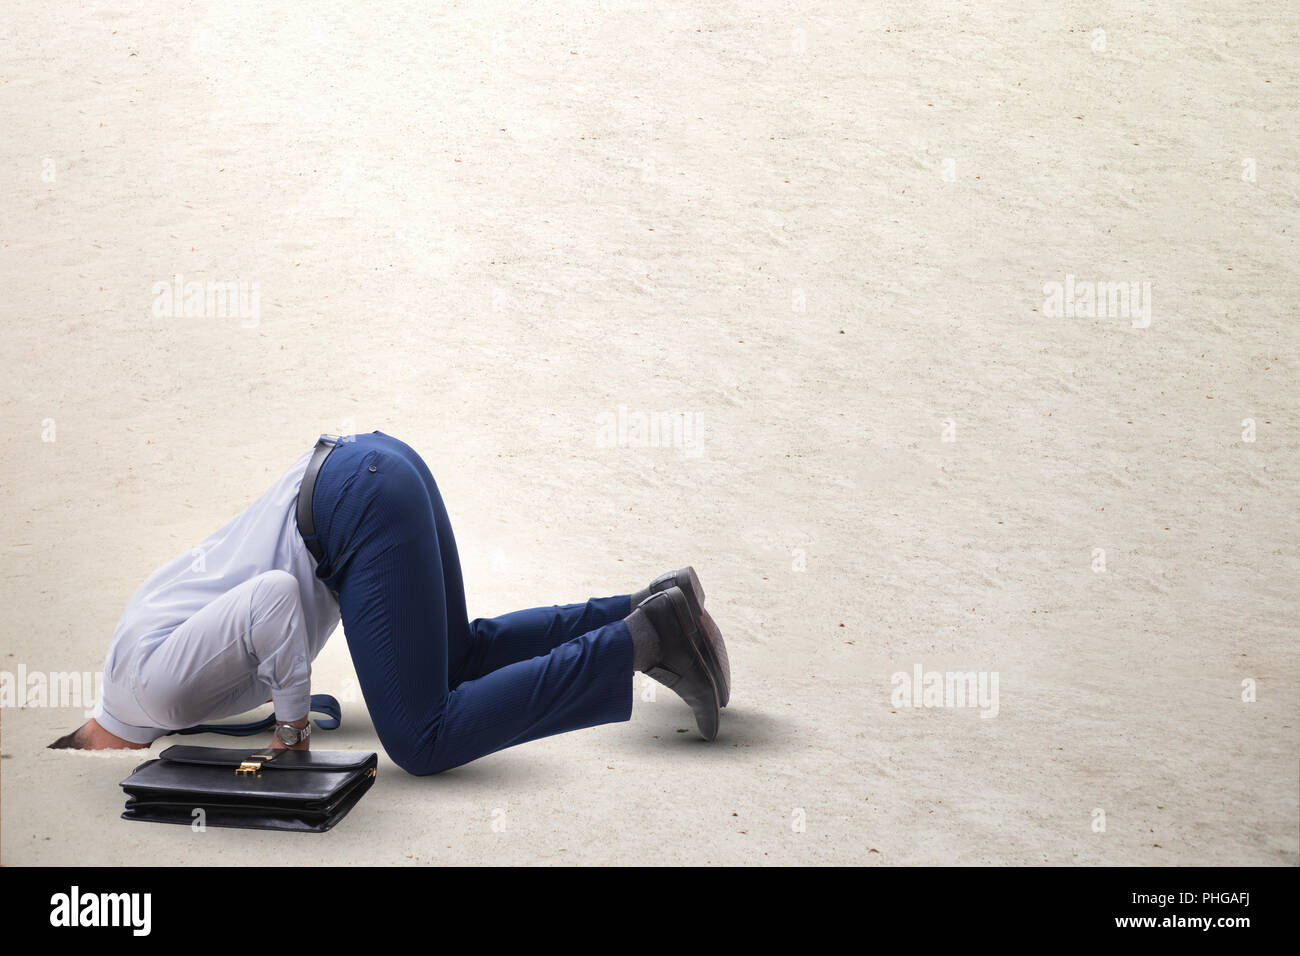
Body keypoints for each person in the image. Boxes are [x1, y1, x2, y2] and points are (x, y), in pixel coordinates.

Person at [49, 431, 731, 775]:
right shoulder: (133, 670)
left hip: (355, 508)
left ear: (93, 749)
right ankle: (650, 606)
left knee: (419, 738)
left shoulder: (154, 698)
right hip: (369, 469)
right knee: (454, 661)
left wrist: (291, 735)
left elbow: (274, 600)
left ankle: (645, 640)